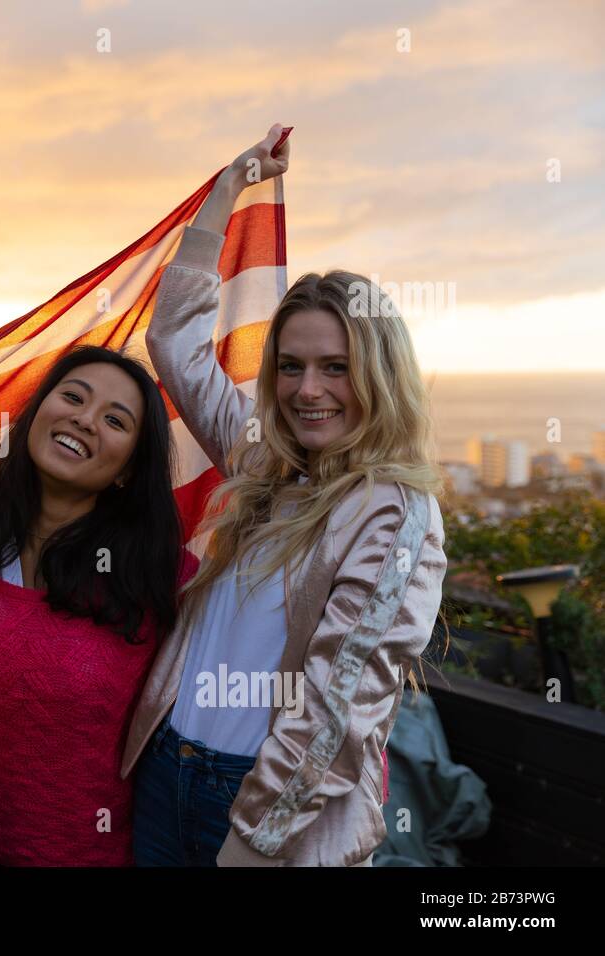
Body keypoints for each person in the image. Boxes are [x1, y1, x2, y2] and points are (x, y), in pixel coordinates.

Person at [122, 125, 448, 867]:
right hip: (166, 769)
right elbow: (172, 339)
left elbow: (337, 704)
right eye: (292, 365)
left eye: (335, 367)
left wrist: (253, 837)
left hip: (260, 808)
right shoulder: (264, 460)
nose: (308, 390)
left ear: (380, 373)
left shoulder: (394, 510)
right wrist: (228, 189)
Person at [0, 345, 198, 866]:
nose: (84, 420)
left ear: (130, 469)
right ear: (39, 410)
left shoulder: (165, 581)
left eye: (114, 419)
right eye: (72, 397)